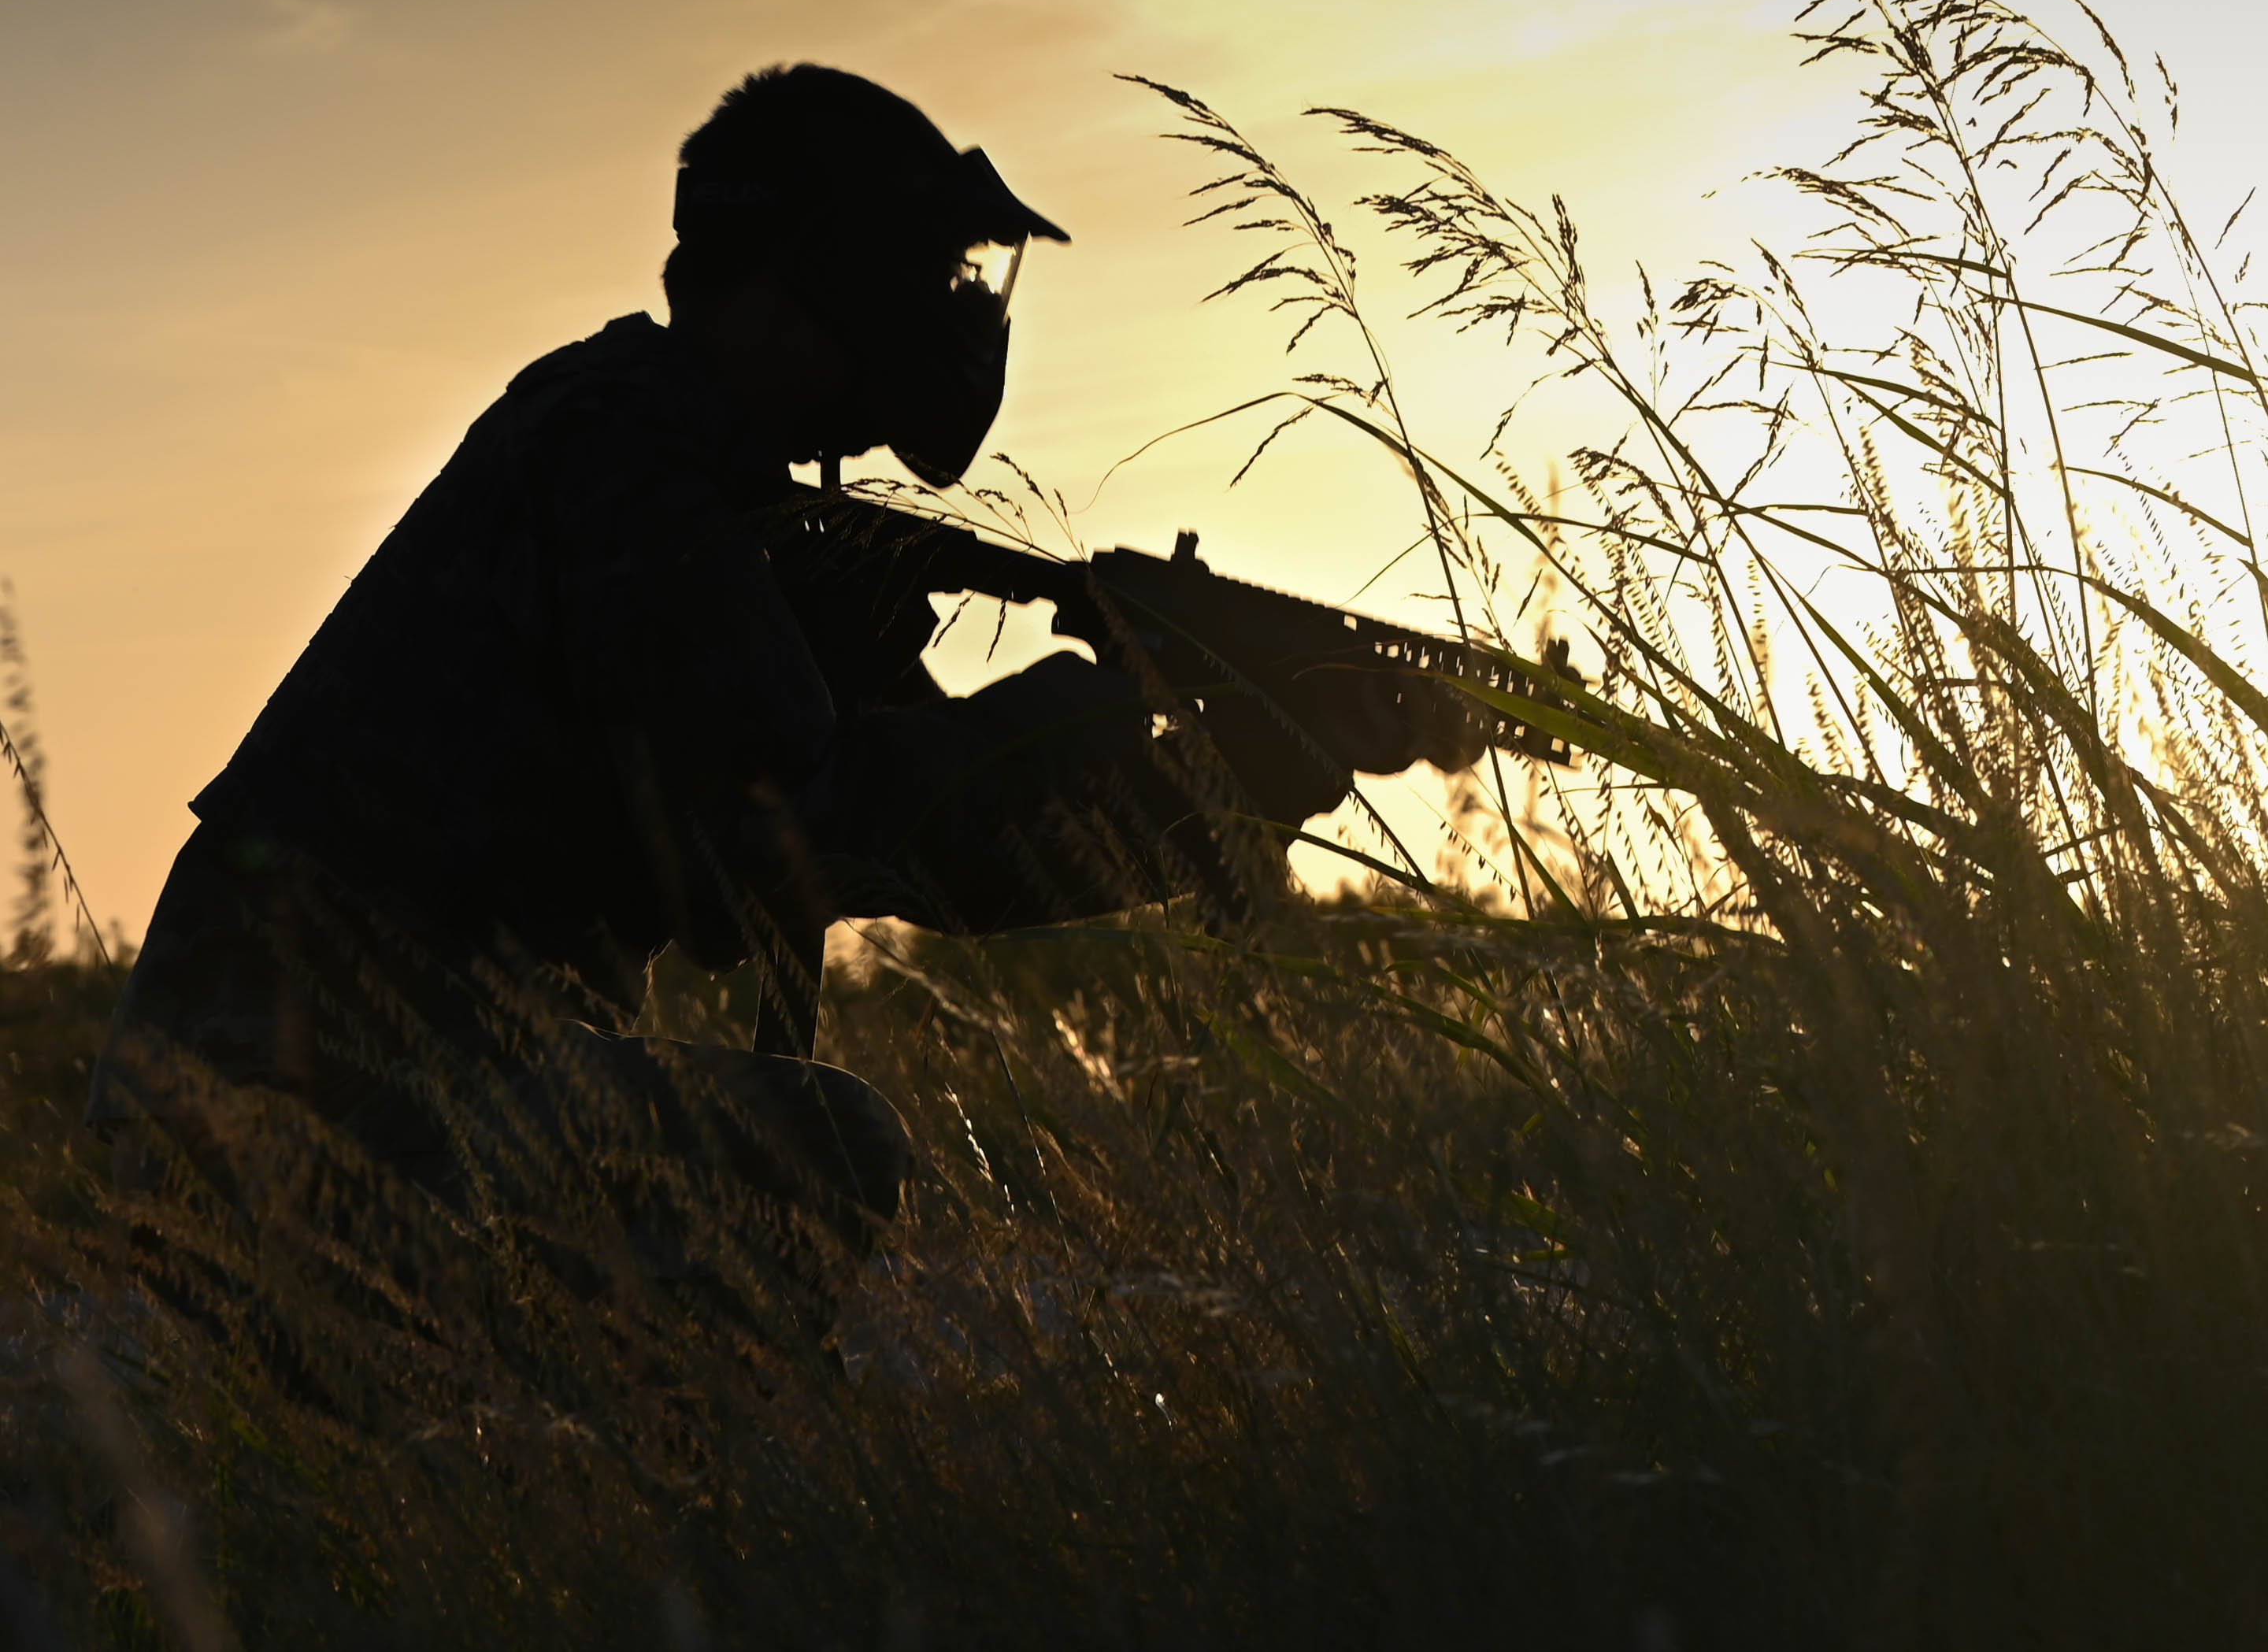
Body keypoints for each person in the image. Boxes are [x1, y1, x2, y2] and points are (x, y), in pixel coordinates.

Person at [87, 65, 1399, 1291]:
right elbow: (802, 836)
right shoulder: (628, 465)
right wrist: (1147, 726)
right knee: (814, 1144)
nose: (958, 309)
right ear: (823, 273)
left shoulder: (703, 480)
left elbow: (928, 850)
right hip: (283, 1119)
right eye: (931, 270)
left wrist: (1224, 793)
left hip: (355, 1098)